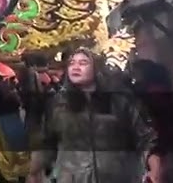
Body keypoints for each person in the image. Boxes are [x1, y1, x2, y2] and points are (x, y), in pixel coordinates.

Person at [28, 47, 163, 183]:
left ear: (96, 68)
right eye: (72, 63)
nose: (75, 67)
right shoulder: (58, 104)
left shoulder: (120, 101)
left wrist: (154, 169)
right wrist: (34, 172)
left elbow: (146, 138)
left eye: (83, 63)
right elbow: (46, 142)